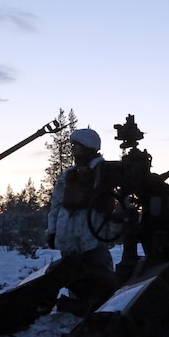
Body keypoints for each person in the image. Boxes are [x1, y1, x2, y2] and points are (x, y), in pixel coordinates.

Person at [46, 128, 116, 312]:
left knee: (101, 274)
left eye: (76, 145)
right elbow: (57, 204)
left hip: (92, 237)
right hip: (69, 238)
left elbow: (110, 205)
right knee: (73, 275)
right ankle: (79, 305)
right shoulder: (69, 175)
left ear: (88, 146)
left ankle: (104, 307)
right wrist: (52, 230)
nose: (73, 149)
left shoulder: (104, 172)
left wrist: (111, 233)